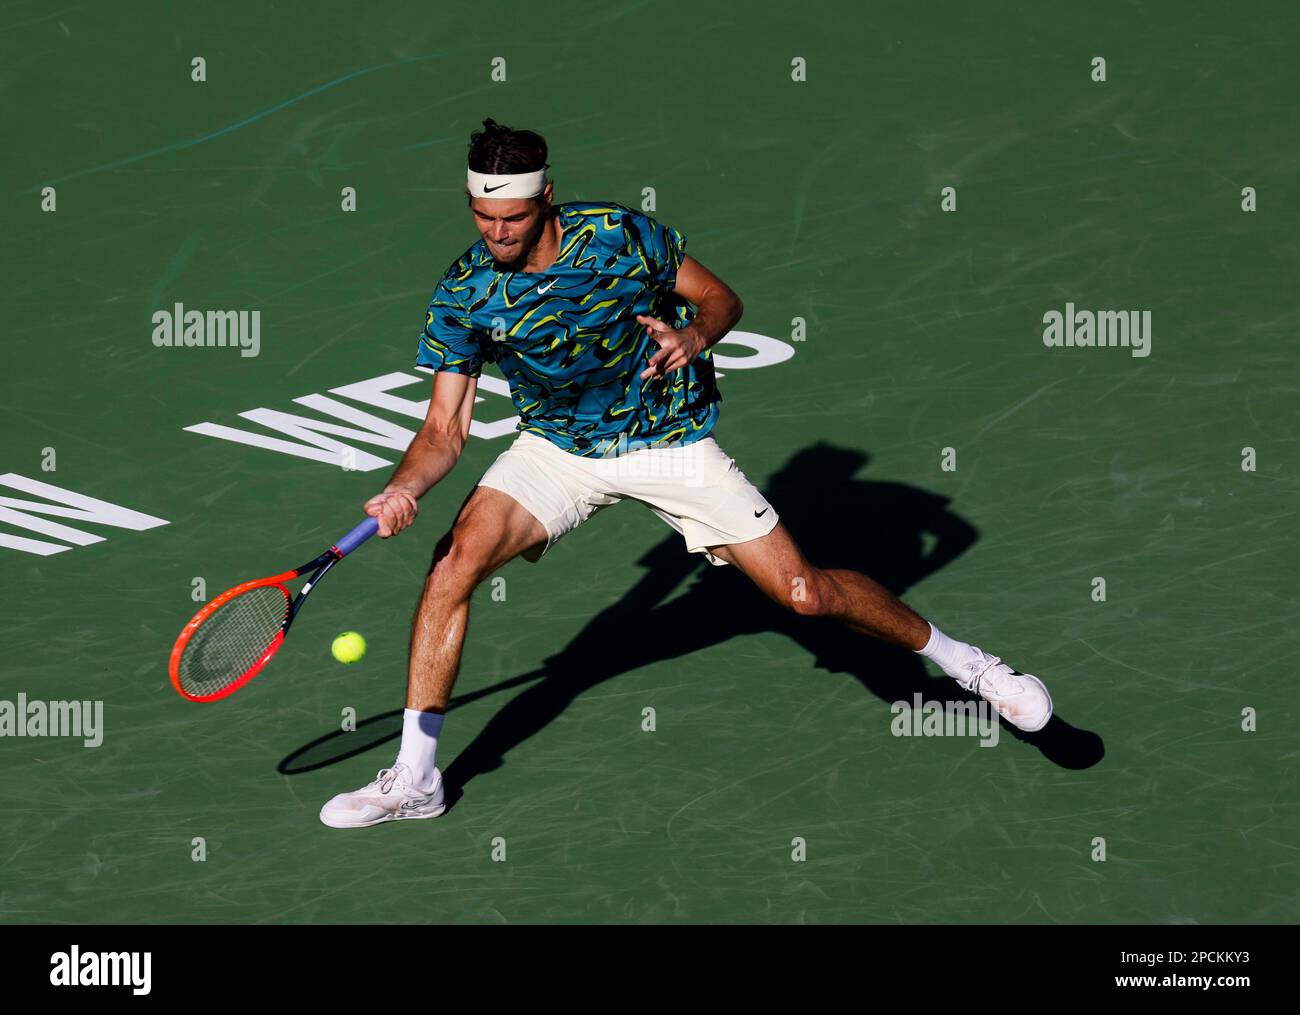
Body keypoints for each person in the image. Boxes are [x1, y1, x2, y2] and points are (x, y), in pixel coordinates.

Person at [319, 119, 1052, 828]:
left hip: (665, 439)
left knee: (806, 595)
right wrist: (405, 487)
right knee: (452, 565)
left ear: (546, 199)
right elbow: (444, 429)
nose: (497, 233)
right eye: (483, 217)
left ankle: (971, 666)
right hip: (557, 449)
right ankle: (417, 779)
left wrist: (696, 335)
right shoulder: (464, 292)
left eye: (511, 218)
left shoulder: (621, 235)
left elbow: (722, 298)